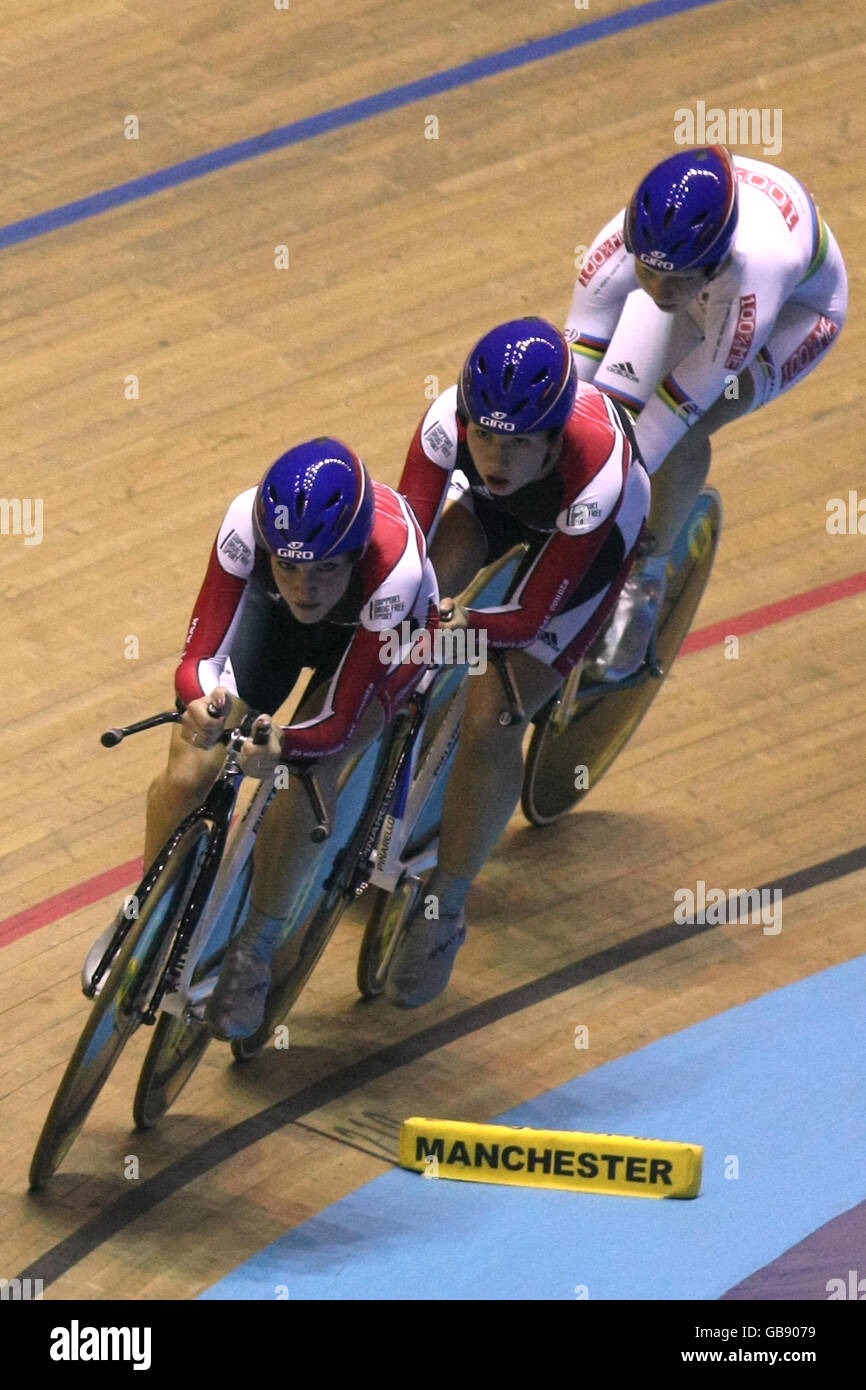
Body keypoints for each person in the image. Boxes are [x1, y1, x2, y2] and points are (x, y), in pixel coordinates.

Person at [386, 317, 650, 1007]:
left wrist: (455, 631)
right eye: (485, 437)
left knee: (493, 714)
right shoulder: (446, 424)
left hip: (584, 546)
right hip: (493, 515)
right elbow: (404, 558)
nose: (496, 456)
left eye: (519, 442)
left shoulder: (597, 471)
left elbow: (529, 618)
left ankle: (447, 904)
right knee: (399, 619)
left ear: (555, 436)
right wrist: (409, 621)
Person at [144, 437, 437, 1038]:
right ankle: (149, 921)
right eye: (289, 567)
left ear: (354, 555)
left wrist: (288, 747)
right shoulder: (244, 524)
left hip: (378, 645)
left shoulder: (394, 568)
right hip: (274, 628)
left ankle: (254, 948)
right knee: (192, 755)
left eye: (325, 567)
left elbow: (334, 721)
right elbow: (198, 658)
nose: (305, 587)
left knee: (309, 772)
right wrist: (201, 704)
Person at [566, 144, 848, 678]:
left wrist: (599, 489)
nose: (657, 289)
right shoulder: (623, 247)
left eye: (674, 278)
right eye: (647, 272)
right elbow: (575, 367)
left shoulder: (757, 273)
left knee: (679, 436)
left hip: (795, 316)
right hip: (707, 299)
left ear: (719, 259)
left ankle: (645, 578)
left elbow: (674, 411)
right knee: (600, 407)